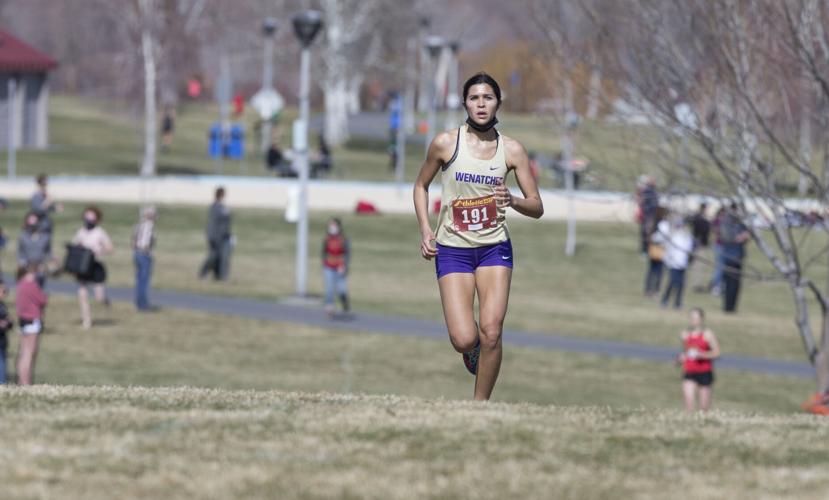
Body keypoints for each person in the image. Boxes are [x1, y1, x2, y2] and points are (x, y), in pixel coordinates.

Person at [413, 72, 544, 401]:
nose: (481, 104)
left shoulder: (512, 150)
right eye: (474, 98)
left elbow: (537, 206)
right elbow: (420, 186)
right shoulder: (446, 143)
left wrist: (512, 200)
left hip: (493, 249)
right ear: (465, 103)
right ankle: (471, 353)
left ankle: (479, 406)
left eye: (487, 97)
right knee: (463, 337)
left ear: (498, 102)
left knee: (492, 332)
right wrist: (426, 229)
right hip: (453, 249)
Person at [72, 206, 114, 329]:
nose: (88, 220)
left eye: (91, 218)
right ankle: (87, 321)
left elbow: (110, 248)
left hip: (96, 266)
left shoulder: (100, 232)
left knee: (98, 297)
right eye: (87, 217)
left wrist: (100, 250)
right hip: (83, 266)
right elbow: (75, 245)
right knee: (82, 294)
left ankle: (105, 300)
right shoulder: (81, 232)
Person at [676, 308, 720, 411]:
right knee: (689, 403)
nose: (693, 320)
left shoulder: (707, 334)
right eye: (691, 317)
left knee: (703, 408)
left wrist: (701, 355)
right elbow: (685, 352)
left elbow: (717, 353)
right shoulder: (685, 334)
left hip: (704, 372)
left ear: (701, 319)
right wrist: (680, 358)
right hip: (689, 371)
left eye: (696, 318)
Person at [15, 264, 47, 385]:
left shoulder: (20, 284)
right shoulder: (31, 285)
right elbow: (42, 300)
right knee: (29, 353)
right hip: (32, 321)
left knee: (23, 352)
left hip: (23, 320)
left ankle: (20, 381)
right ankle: (26, 382)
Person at [659, 213, 694, 309]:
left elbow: (689, 249)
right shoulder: (673, 236)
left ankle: (678, 303)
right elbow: (669, 250)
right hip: (674, 263)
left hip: (683, 264)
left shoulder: (686, 237)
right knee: (672, 282)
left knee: (681, 284)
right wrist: (668, 260)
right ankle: (665, 300)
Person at [720, 203, 750, 313]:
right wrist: (741, 237)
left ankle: (733, 307)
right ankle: (727, 307)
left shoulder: (740, 223)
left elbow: (747, 235)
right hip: (729, 257)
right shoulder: (726, 223)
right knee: (729, 284)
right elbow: (728, 238)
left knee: (736, 284)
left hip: (738, 257)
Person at [199, 187, 233, 280]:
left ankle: (219, 276)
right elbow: (212, 223)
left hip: (223, 236)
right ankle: (203, 273)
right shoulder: (215, 207)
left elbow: (226, 224)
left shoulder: (223, 207)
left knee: (221, 257)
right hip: (215, 236)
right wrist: (211, 236)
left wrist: (229, 235)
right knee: (213, 256)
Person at [321, 218, 350, 317]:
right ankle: (329, 307)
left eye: (333, 225)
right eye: (330, 225)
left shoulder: (343, 239)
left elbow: (347, 253)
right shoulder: (327, 238)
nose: (332, 227)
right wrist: (324, 263)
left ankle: (344, 302)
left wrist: (344, 266)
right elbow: (324, 252)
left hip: (339, 266)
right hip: (329, 265)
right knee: (329, 288)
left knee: (341, 289)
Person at [17, 211, 53, 286]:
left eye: (34, 221)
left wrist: (50, 260)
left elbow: (48, 251)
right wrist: (22, 263)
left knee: (38, 287)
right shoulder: (23, 236)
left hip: (40, 266)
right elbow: (20, 251)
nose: (32, 223)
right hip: (26, 266)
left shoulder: (45, 236)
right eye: (30, 221)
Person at [132, 206, 157, 311]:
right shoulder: (149, 226)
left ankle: (139, 302)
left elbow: (133, 239)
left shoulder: (138, 225)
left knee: (139, 280)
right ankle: (143, 304)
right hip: (144, 254)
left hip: (136, 253)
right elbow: (146, 242)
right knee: (144, 280)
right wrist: (148, 252)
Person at [688, 202, 712, 292]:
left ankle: (698, 283)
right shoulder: (699, 219)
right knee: (698, 265)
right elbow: (703, 230)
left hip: (699, 244)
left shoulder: (698, 218)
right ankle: (696, 284)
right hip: (699, 244)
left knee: (700, 265)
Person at [30, 174, 62, 238]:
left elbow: (48, 208)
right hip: (39, 225)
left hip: (47, 224)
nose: (45, 186)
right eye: (43, 184)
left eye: (46, 184)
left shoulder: (45, 195)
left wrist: (55, 208)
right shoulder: (36, 196)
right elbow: (38, 210)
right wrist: (47, 201)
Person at [644, 206, 667, 297]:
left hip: (653, 246)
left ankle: (648, 289)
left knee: (652, 270)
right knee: (659, 270)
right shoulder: (663, 223)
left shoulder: (653, 222)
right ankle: (655, 290)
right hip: (660, 247)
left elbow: (648, 234)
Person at [638, 176, 659, 255]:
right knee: (646, 233)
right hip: (648, 215)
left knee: (650, 234)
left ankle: (648, 250)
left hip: (652, 215)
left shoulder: (653, 191)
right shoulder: (647, 191)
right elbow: (643, 202)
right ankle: (645, 250)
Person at [709, 207, 726, 295]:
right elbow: (715, 231)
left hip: (723, 246)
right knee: (720, 267)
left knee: (722, 268)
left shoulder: (724, 221)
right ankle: (715, 285)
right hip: (719, 246)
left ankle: (719, 285)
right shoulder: (718, 221)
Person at [0, 282, 11, 384]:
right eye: (3, 291)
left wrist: (8, 322)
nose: (5, 293)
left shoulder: (3, 306)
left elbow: (9, 322)